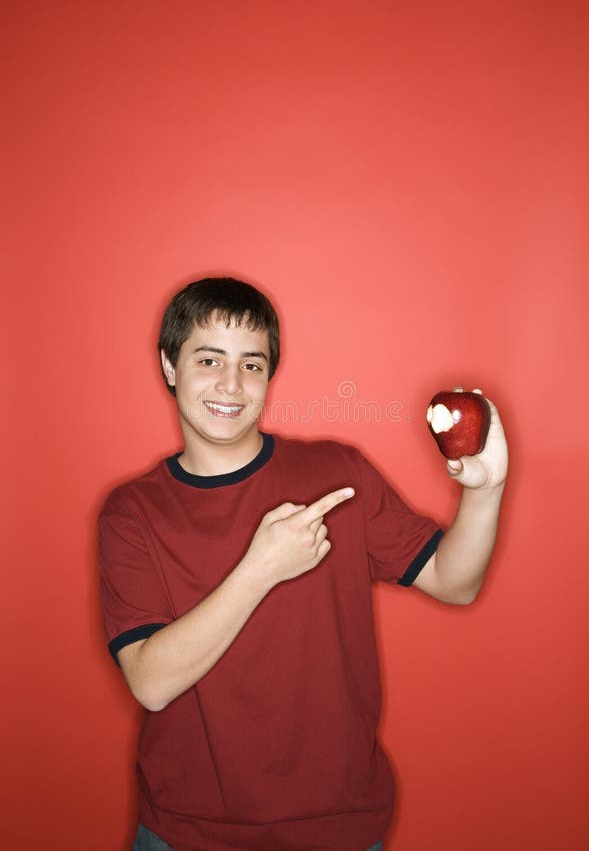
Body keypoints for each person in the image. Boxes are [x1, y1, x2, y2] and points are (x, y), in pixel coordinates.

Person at [98, 276, 508, 851]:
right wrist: (261, 567)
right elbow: (151, 682)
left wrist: (486, 491)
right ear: (170, 366)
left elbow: (454, 582)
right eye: (209, 359)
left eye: (252, 365)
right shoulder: (132, 512)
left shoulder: (336, 473)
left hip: (340, 829)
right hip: (187, 833)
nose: (231, 385)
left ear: (269, 376)